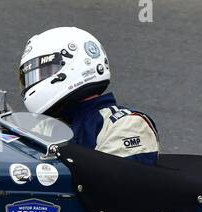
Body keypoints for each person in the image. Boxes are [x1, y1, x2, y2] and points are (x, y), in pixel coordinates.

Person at [18, 27, 160, 164]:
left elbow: (119, 182)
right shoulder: (46, 125)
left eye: (41, 72)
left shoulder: (124, 124)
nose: (34, 80)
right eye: (29, 76)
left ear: (77, 65)